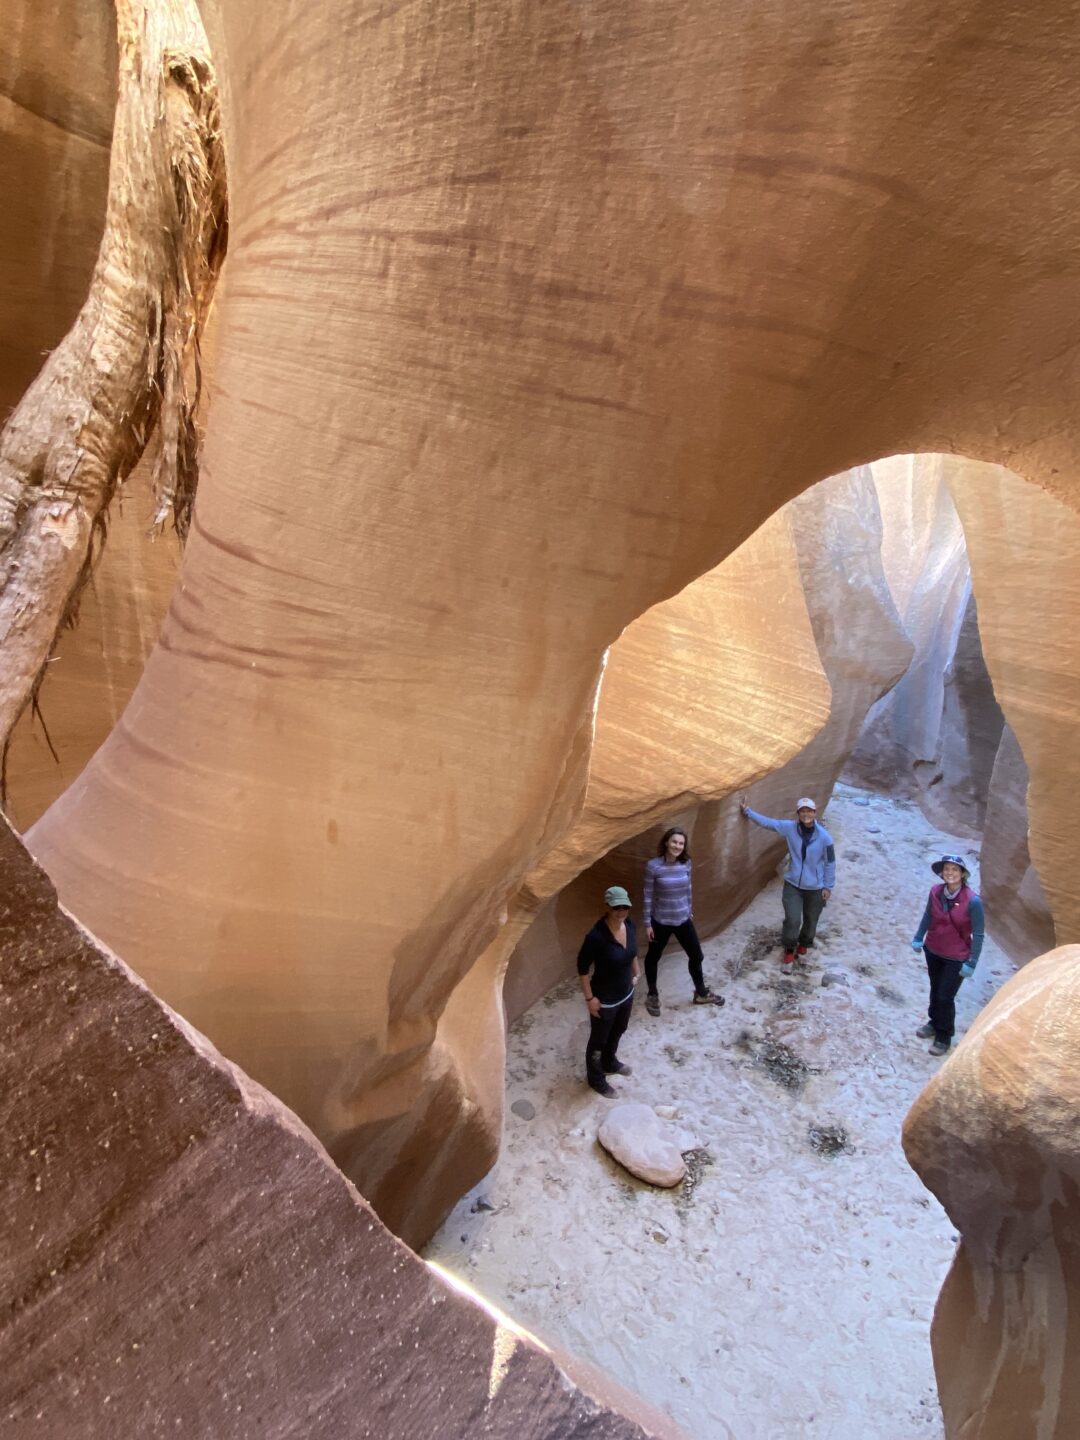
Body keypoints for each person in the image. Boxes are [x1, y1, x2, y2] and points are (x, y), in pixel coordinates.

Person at [739, 795, 836, 972]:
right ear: (798, 813)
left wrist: (828, 886)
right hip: (793, 884)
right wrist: (748, 811)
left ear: (815, 813)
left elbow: (830, 863)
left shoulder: (825, 838)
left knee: (811, 920)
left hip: (815, 887)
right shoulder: (790, 828)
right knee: (792, 919)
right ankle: (790, 950)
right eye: (802, 811)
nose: (806, 814)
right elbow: (769, 823)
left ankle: (804, 945)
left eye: (809, 811)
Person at [641, 826, 725, 1015]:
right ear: (666, 842)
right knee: (653, 957)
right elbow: (647, 895)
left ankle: (701, 993)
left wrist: (689, 910)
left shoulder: (686, 863)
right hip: (661, 921)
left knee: (697, 956)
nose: (677, 846)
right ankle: (653, 994)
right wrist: (647, 923)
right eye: (674, 842)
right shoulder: (653, 866)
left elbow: (688, 888)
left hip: (682, 919)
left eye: (681, 843)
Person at [911, 854, 984, 1057]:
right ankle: (933, 1022)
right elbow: (928, 915)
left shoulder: (973, 901)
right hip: (933, 950)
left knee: (945, 996)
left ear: (962, 874)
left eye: (955, 869)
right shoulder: (935, 892)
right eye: (947, 869)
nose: (950, 873)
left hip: (957, 956)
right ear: (942, 873)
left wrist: (972, 962)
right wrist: (919, 937)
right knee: (935, 990)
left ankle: (944, 1036)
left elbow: (978, 934)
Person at [576, 885, 641, 1097]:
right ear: (607, 907)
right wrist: (590, 998)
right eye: (616, 908)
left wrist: (636, 973)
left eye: (625, 907)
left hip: (626, 992)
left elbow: (632, 951)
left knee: (619, 1029)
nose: (621, 912)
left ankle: (610, 1061)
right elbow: (582, 968)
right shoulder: (596, 936)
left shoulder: (628, 924)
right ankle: (596, 1080)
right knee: (598, 1041)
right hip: (604, 999)